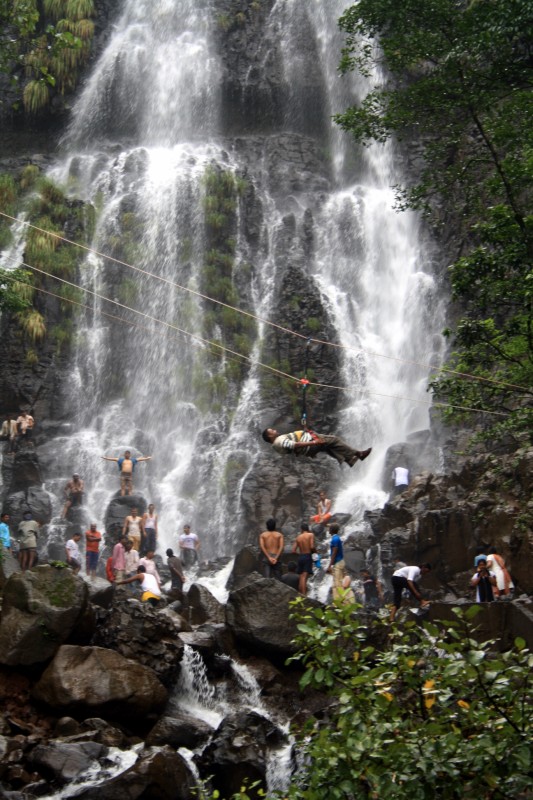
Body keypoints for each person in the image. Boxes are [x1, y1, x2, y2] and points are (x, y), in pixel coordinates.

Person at [262, 428, 371, 468]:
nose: (275, 430)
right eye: (272, 431)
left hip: (308, 447)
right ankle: (358, 454)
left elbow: (292, 449)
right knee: (334, 440)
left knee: (328, 446)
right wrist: (314, 442)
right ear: (270, 436)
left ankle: (350, 460)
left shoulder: (276, 446)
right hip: (310, 442)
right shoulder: (279, 441)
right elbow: (295, 445)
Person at [292, 522, 315, 595]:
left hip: (301, 557)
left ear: (301, 529)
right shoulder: (310, 535)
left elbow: (293, 551)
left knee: (301, 576)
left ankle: (301, 593)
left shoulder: (298, 537)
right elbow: (311, 547)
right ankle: (304, 595)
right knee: (305, 576)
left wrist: (300, 554)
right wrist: (315, 552)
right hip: (307, 556)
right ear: (308, 529)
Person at [326, 523, 345, 600]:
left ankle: (339, 602)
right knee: (336, 582)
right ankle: (337, 601)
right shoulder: (336, 538)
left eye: (329, 528)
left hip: (338, 562)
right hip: (339, 562)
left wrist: (330, 565)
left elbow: (334, 552)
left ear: (331, 530)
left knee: (337, 583)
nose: (328, 530)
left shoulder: (335, 539)